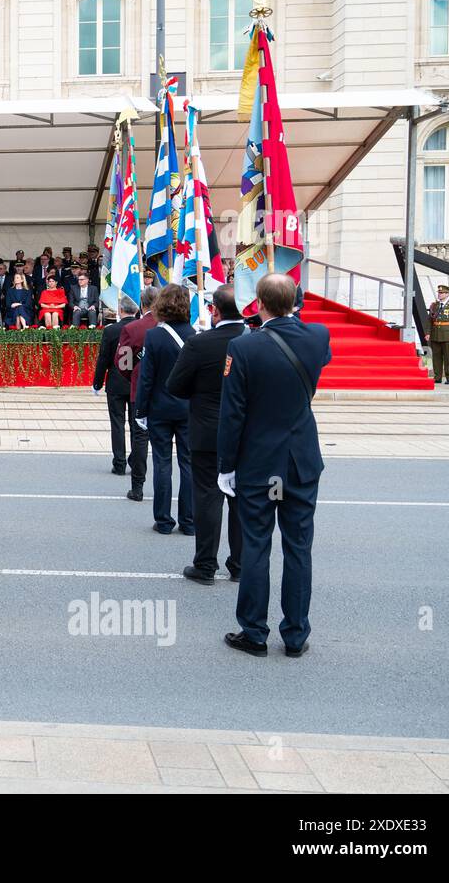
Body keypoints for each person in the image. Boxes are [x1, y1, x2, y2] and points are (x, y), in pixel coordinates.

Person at [218, 273, 332, 658]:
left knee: (257, 546)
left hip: (259, 463)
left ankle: (254, 630)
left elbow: (232, 415)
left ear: (259, 303)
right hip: (300, 460)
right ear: (295, 302)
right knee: (299, 548)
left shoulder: (243, 347)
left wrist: (226, 465)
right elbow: (319, 358)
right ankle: (296, 634)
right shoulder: (318, 337)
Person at [167, 285, 246, 584]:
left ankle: (205, 564)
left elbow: (175, 386)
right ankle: (239, 564)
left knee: (208, 498)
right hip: (244, 434)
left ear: (214, 310)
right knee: (240, 499)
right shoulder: (254, 339)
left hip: (208, 430)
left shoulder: (201, 343)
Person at [135, 284, 195, 536]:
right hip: (188, 409)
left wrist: (140, 410)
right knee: (188, 464)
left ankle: (163, 520)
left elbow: (146, 378)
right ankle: (189, 521)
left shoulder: (155, 336)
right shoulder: (195, 334)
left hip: (160, 407)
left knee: (162, 463)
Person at [116, 286, 159, 502]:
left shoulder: (133, 328)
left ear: (142, 304)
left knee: (139, 437)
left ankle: (138, 486)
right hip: (168, 392)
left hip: (140, 389)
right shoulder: (170, 326)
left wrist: (133, 376)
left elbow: (122, 363)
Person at [92, 295, 140, 476]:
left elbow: (103, 358)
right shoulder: (143, 329)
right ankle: (136, 461)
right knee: (136, 425)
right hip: (136, 382)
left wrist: (97, 382)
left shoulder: (111, 330)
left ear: (120, 310)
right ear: (136, 311)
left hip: (116, 381)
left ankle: (119, 463)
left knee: (117, 424)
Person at [426, 284, 449, 385]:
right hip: (435, 335)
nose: (439, 294)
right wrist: (428, 333)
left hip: (448, 335)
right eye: (439, 292)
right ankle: (437, 377)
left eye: (441, 293)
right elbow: (430, 321)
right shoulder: (435, 305)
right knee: (436, 357)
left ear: (447, 294)